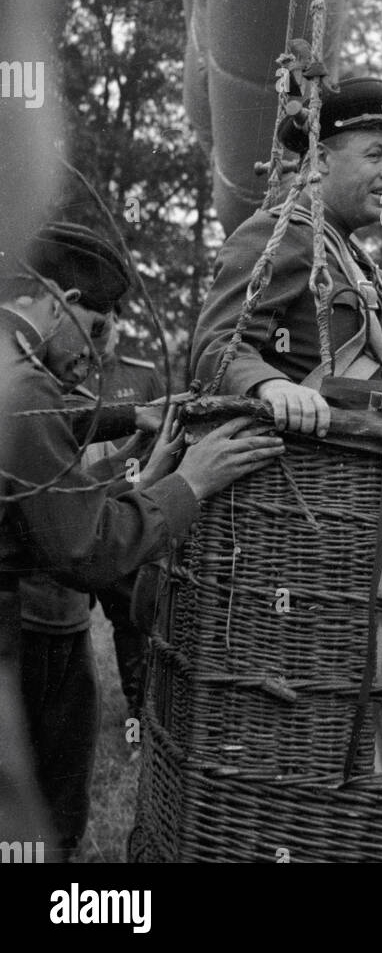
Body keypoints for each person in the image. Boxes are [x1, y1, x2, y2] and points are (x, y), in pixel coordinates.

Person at [0, 223, 286, 860]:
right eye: (97, 327)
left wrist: (139, 440)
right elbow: (88, 551)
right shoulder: (23, 387)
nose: (98, 356)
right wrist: (191, 482)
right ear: (61, 300)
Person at [192, 77, 382, 434]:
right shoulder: (276, 234)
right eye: (375, 155)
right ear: (322, 159)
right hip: (288, 465)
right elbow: (217, 346)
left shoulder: (349, 256)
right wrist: (270, 385)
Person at [78, 306, 167, 719]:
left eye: (105, 321)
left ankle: (138, 711)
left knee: (130, 621)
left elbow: (155, 444)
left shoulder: (140, 374)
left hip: (120, 505)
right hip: (68, 508)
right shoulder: (63, 370)